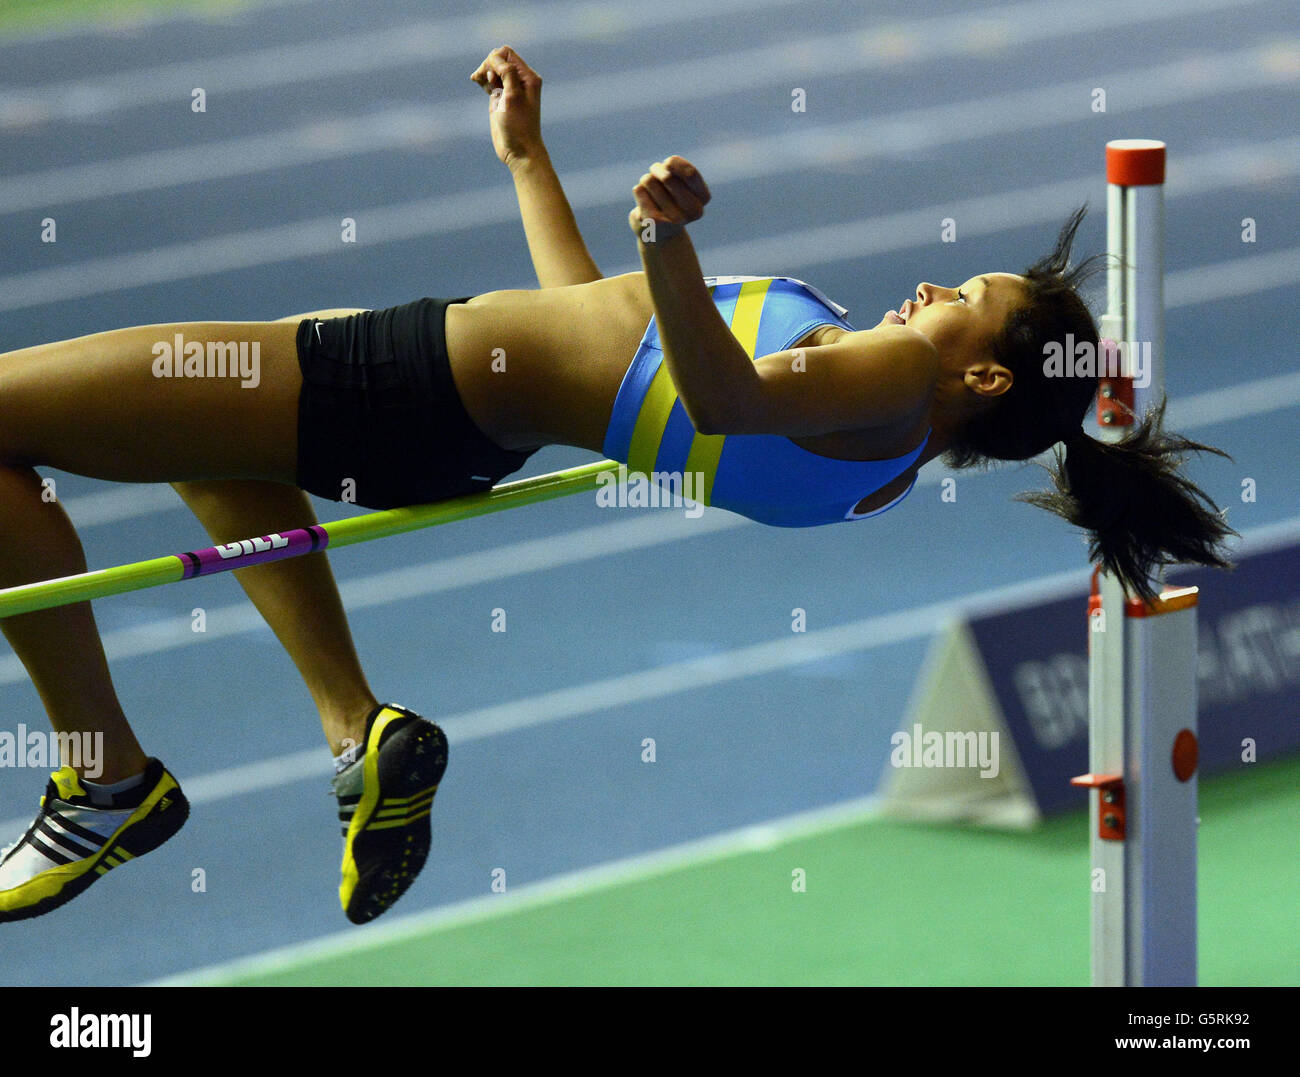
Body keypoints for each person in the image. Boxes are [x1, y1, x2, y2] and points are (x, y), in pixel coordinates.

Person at [0, 47, 1234, 925]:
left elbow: (721, 399)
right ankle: (354, 734)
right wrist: (530, 162)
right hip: (452, 415)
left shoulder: (897, 379)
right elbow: (606, 327)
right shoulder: (879, 459)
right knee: (205, 447)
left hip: (407, 385)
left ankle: (105, 777)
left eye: (964, 299)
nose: (931, 290)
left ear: (977, 374)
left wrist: (670, 238)